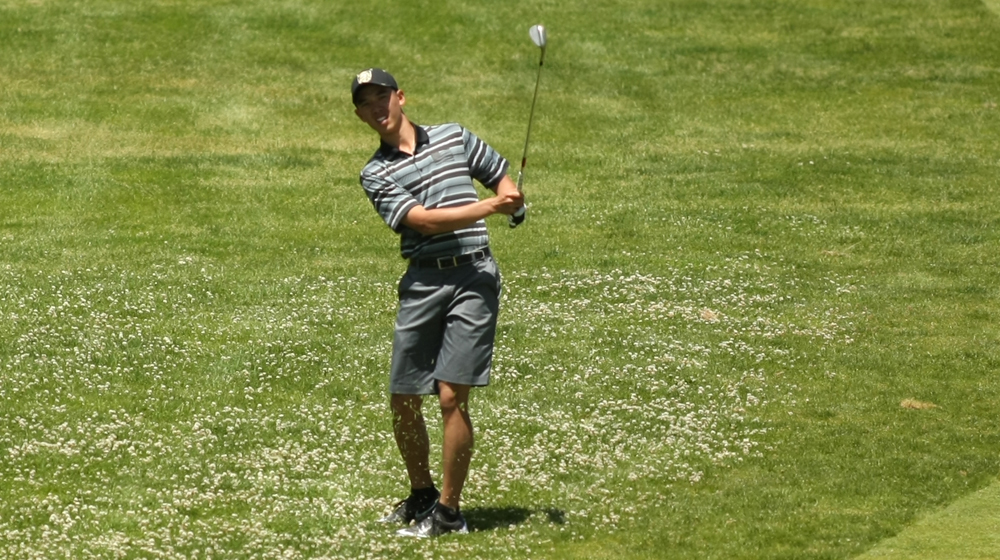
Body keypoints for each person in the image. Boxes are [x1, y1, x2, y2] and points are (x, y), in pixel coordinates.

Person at [351, 68, 524, 538]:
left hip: (474, 277)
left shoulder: (454, 137)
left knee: (451, 395)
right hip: (423, 283)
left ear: (400, 96)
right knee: (404, 398)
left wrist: (509, 196)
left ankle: (448, 512)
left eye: (382, 96)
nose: (377, 107)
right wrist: (491, 207)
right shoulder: (375, 172)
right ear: (362, 116)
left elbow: (498, 173)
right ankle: (422, 494)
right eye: (366, 103)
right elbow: (423, 222)